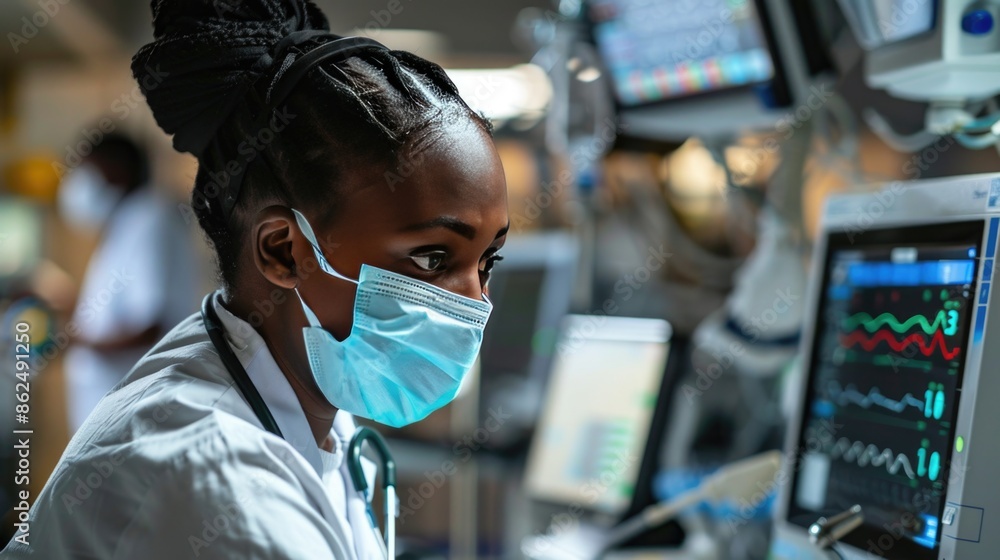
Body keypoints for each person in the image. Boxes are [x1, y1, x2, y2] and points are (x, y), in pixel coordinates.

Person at [1, 0, 508, 558]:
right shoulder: (221, 489)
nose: (475, 302)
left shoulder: (306, 403)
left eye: (487, 263)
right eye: (433, 259)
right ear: (283, 252)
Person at [56, 133, 203, 432]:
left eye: (88, 169)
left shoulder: (149, 218)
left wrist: (77, 343)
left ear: (116, 170)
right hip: (114, 424)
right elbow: (115, 313)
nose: (78, 182)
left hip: (136, 419)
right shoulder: (127, 222)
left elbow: (149, 326)